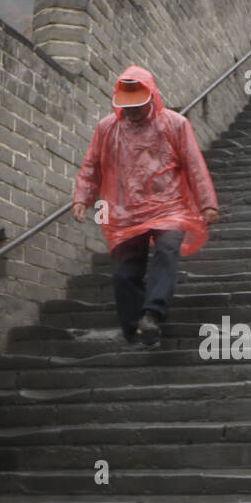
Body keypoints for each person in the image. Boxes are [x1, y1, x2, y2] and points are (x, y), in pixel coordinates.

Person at [72, 66, 219, 349]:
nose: (133, 112)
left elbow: (193, 164)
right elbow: (92, 165)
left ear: (151, 98)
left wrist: (207, 203)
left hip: (169, 206)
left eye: (138, 105)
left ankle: (153, 312)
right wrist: (82, 197)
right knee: (124, 272)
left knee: (166, 250)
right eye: (128, 107)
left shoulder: (174, 124)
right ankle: (134, 331)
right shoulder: (107, 129)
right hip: (125, 211)